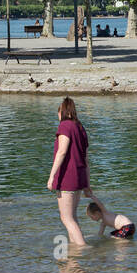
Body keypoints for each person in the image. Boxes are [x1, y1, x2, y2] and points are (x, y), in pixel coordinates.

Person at [47, 97, 91, 245]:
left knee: (66, 218)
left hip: (67, 177)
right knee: (72, 217)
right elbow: (86, 159)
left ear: (62, 111)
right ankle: (75, 250)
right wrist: (87, 183)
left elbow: (62, 152)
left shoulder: (65, 126)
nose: (58, 117)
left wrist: (52, 176)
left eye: (58, 113)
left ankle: (83, 249)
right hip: (79, 177)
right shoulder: (80, 127)